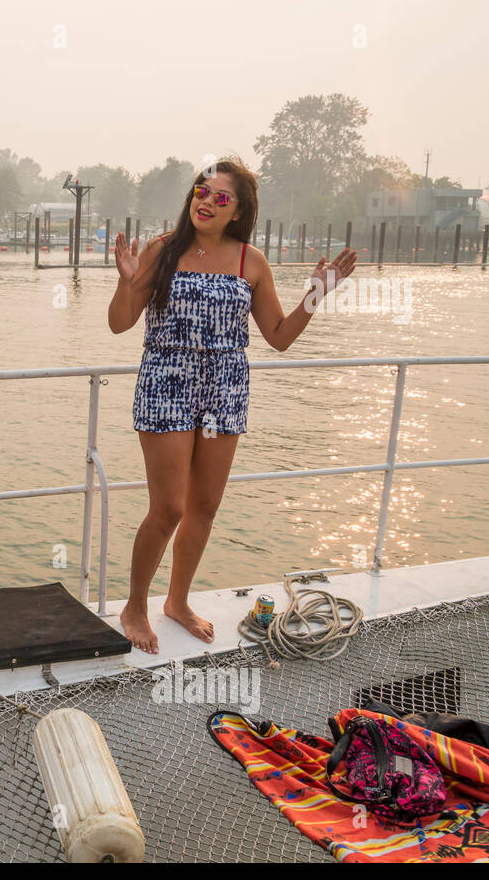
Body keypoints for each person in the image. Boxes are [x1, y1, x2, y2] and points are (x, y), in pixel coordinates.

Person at [107, 157, 356, 654]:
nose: (206, 201)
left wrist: (316, 295)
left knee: (205, 505)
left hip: (226, 387)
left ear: (238, 211)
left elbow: (280, 337)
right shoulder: (162, 250)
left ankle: (177, 601)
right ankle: (135, 605)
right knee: (169, 506)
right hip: (167, 382)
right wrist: (126, 279)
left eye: (220, 197)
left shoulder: (251, 262)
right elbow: (118, 324)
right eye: (202, 191)